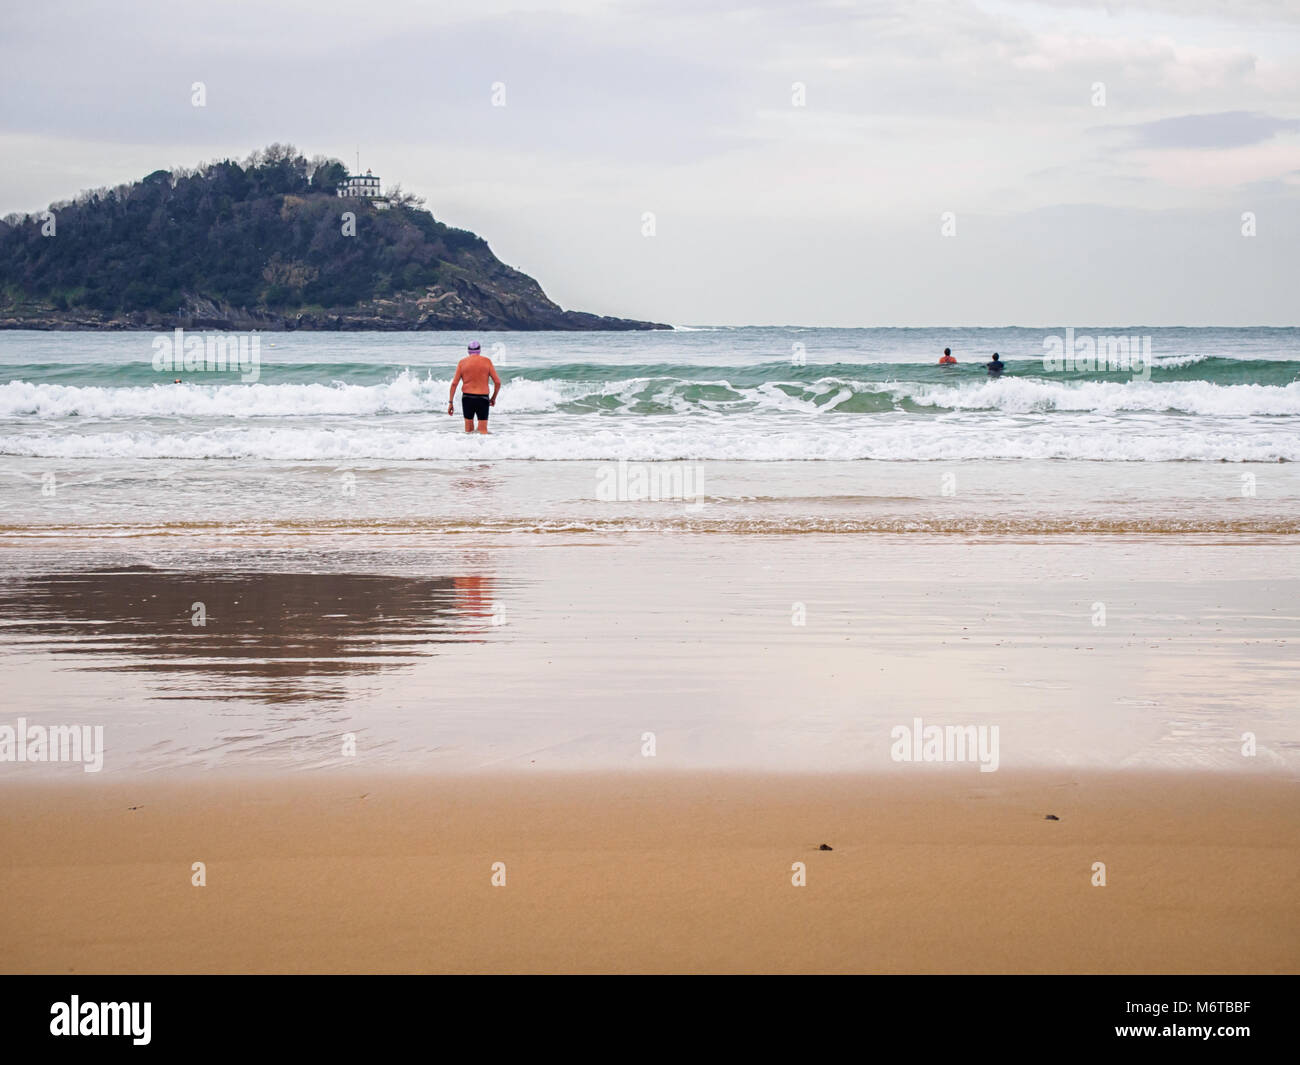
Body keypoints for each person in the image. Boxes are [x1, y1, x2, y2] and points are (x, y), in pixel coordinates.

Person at [447, 341, 501, 434]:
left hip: (467, 398)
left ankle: (469, 448)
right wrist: (493, 398)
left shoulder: (462, 362)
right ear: (479, 351)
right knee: (483, 431)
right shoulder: (487, 361)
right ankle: (484, 448)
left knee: (468, 431)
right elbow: (498, 382)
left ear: (468, 351)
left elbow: (454, 384)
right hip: (483, 398)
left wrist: (451, 403)